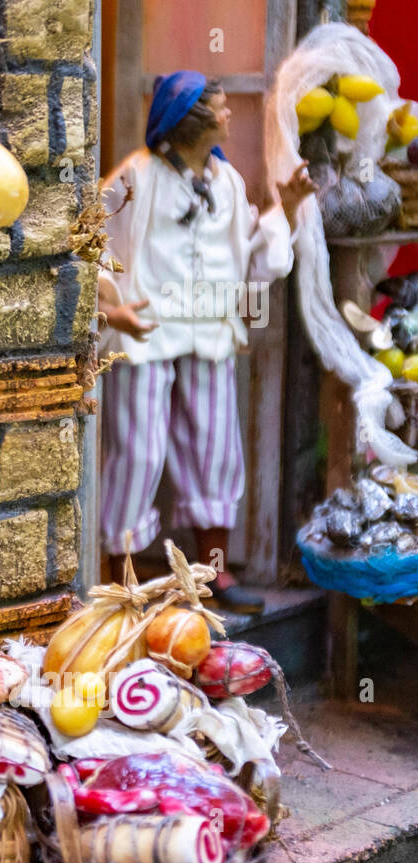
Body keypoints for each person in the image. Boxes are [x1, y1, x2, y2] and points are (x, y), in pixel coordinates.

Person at [97, 71, 316, 612]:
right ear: (190, 119)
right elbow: (95, 241)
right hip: (147, 330)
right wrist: (110, 309)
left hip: (209, 330)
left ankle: (211, 573)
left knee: (214, 447)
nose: (228, 116)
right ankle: (120, 579)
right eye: (219, 109)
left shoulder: (226, 183)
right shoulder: (136, 178)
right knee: (137, 450)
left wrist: (284, 211)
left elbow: (250, 259)